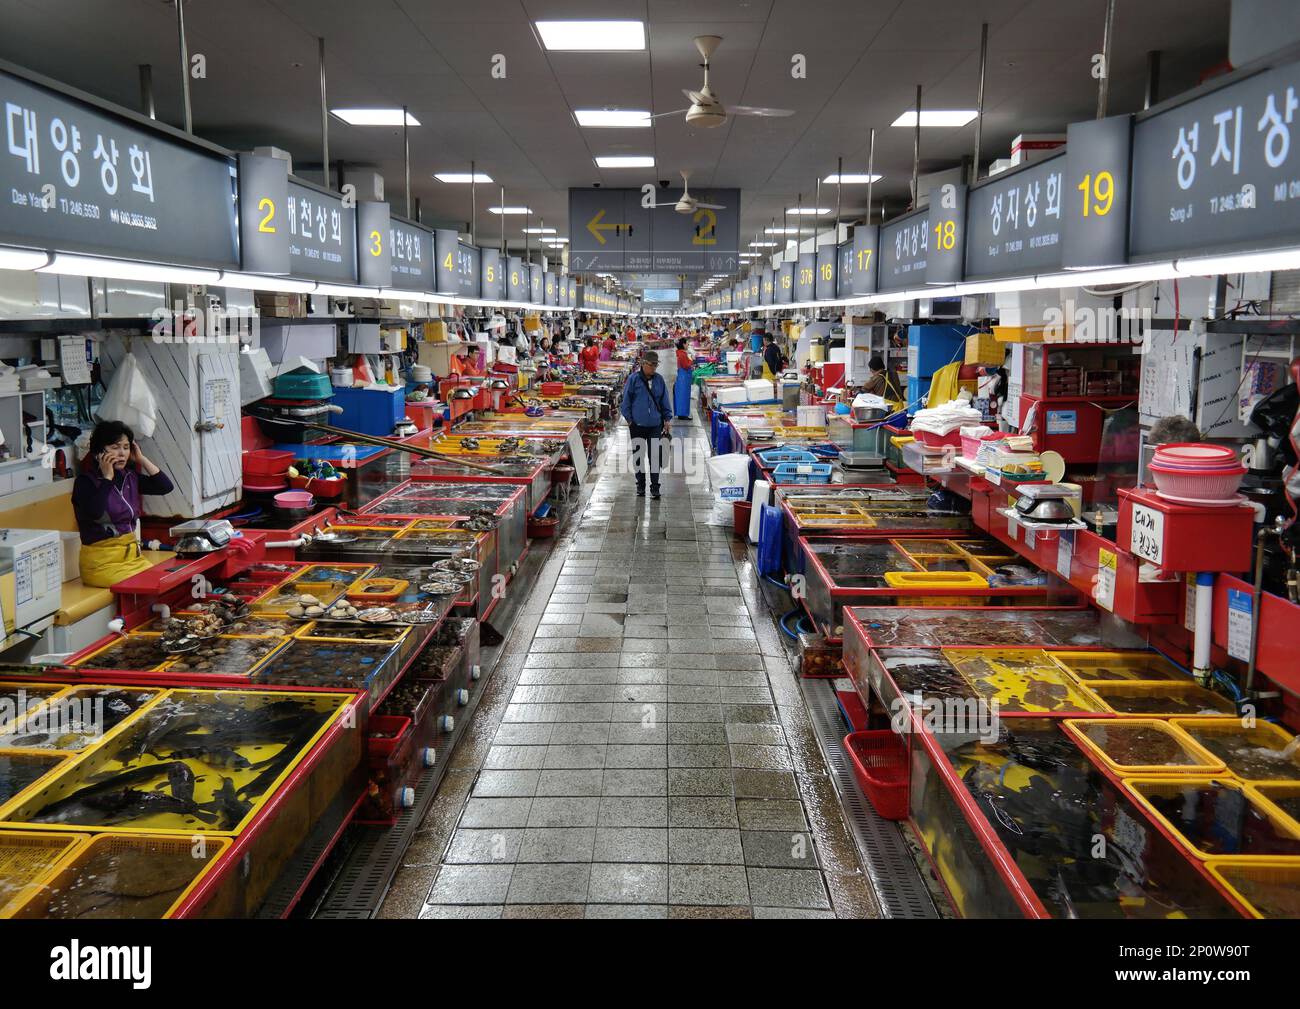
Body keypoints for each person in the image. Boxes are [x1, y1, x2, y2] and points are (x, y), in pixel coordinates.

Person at [72, 420, 174, 588]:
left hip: (132, 559)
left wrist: (141, 458)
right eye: (115, 447)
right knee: (145, 586)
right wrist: (107, 478)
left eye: (126, 448)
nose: (121, 453)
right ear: (99, 451)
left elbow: (165, 487)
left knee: (163, 583)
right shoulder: (85, 482)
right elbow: (95, 513)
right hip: (102, 565)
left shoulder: (129, 476)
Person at [620, 350, 672, 499]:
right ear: (643, 364)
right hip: (636, 425)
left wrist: (667, 419)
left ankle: (655, 487)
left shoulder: (659, 380)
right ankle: (640, 485)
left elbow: (664, 400)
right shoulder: (633, 379)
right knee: (638, 457)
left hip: (655, 425)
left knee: (654, 457)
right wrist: (630, 420)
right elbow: (626, 403)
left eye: (656, 365)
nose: (654, 368)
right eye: (651, 365)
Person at [673, 338, 694, 420]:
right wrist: (692, 359)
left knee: (682, 396)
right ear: (683, 344)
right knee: (683, 396)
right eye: (687, 343)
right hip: (683, 379)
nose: (688, 345)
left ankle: (682, 414)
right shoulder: (682, 354)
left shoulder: (682, 353)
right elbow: (686, 366)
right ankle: (683, 414)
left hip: (683, 378)